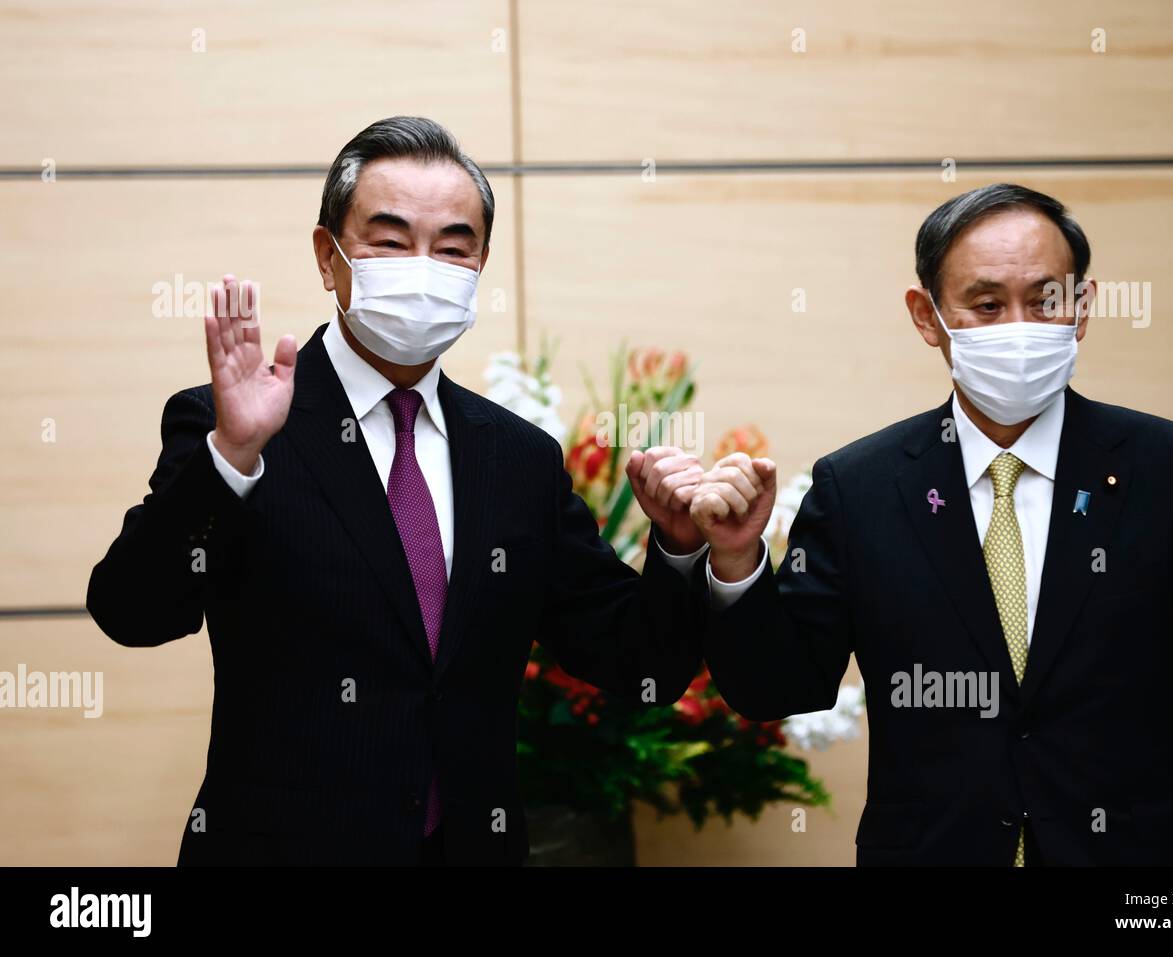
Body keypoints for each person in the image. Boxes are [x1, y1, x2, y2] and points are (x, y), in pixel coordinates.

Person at [87, 116, 710, 866]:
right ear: (329, 256)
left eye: (453, 246)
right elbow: (133, 611)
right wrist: (231, 456)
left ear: (481, 263)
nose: (424, 266)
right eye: (389, 240)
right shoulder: (234, 425)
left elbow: (638, 664)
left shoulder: (517, 458)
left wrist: (677, 545)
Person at [688, 183, 1173, 865]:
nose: (1019, 326)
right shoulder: (859, 488)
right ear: (926, 316)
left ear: (1082, 308)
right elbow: (779, 687)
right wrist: (738, 564)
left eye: (1045, 300)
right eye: (986, 304)